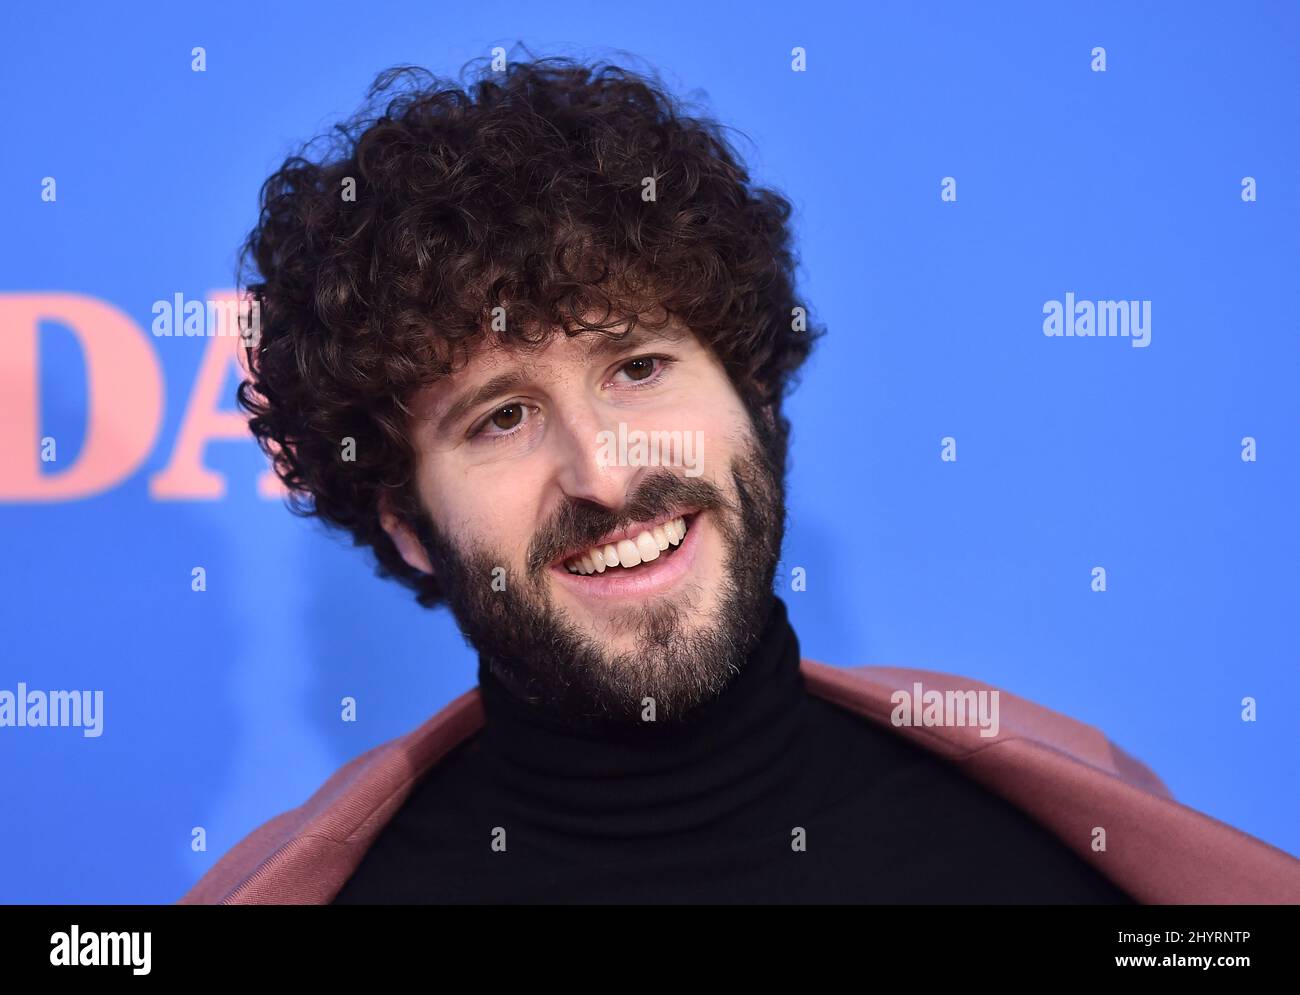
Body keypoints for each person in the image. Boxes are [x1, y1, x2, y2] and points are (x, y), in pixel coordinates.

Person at [181, 56, 1300, 904]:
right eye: (502, 416)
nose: (607, 474)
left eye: (638, 365)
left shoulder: (1065, 854)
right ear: (407, 522)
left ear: (754, 400)